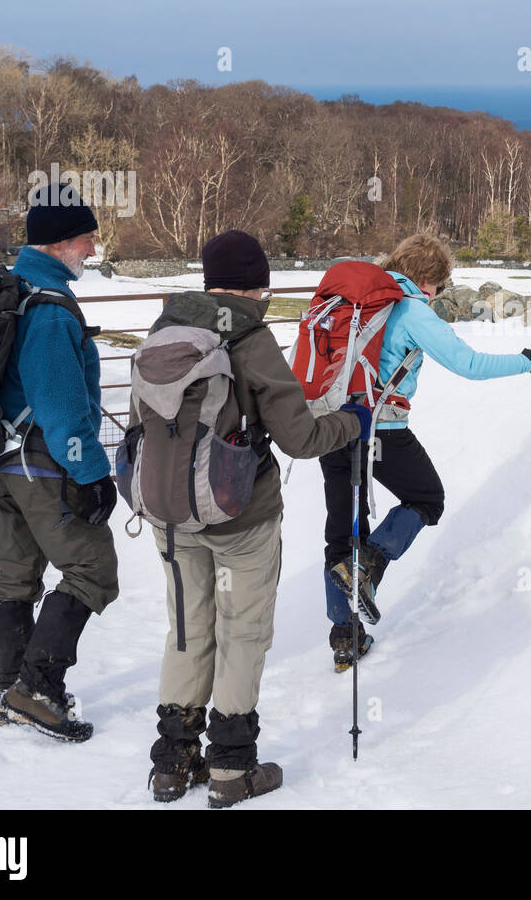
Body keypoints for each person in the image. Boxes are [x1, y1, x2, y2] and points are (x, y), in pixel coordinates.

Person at [142, 230, 364, 808]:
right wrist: (353, 421)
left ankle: (172, 764)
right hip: (241, 516)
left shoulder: (166, 327)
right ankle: (231, 770)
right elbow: (300, 438)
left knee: (188, 630)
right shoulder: (251, 336)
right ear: (257, 285)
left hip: (171, 513)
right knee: (243, 632)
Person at [320, 234, 531, 670]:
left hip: (328, 426)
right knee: (427, 499)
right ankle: (369, 565)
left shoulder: (346, 304)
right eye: (440, 285)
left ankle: (344, 638)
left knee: (341, 534)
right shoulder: (410, 309)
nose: (438, 294)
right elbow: (469, 365)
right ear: (428, 278)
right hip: (381, 429)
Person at [0, 196, 118, 742]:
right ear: (60, 244)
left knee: (15, 574)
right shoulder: (49, 309)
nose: (93, 248)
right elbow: (63, 409)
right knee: (93, 570)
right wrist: (93, 476)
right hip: (41, 463)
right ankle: (35, 691)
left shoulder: (10, 290)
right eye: (86, 239)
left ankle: (12, 691)